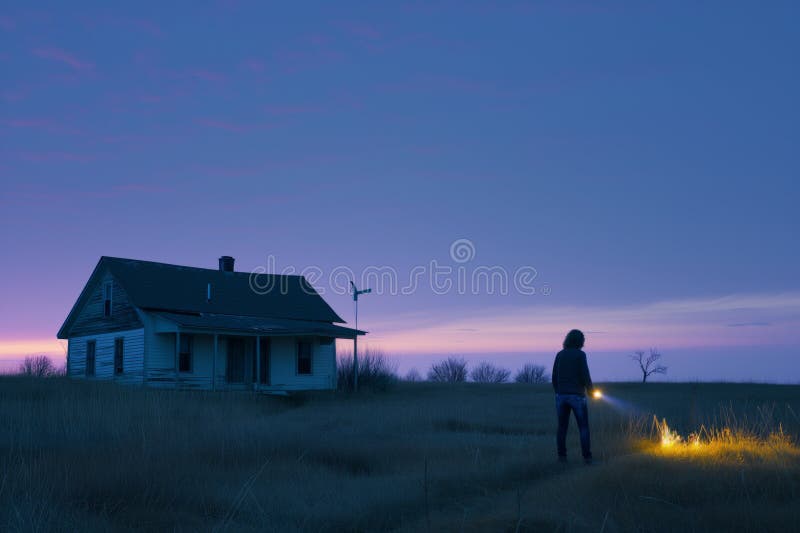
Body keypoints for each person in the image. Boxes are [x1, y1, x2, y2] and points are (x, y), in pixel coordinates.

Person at [551, 329, 595, 464]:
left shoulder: (560, 354)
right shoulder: (580, 355)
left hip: (561, 396)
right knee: (583, 427)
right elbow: (585, 375)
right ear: (580, 341)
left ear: (568, 339)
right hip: (576, 396)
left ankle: (562, 458)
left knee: (562, 427)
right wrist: (591, 391)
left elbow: (554, 376)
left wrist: (558, 391)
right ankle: (587, 459)